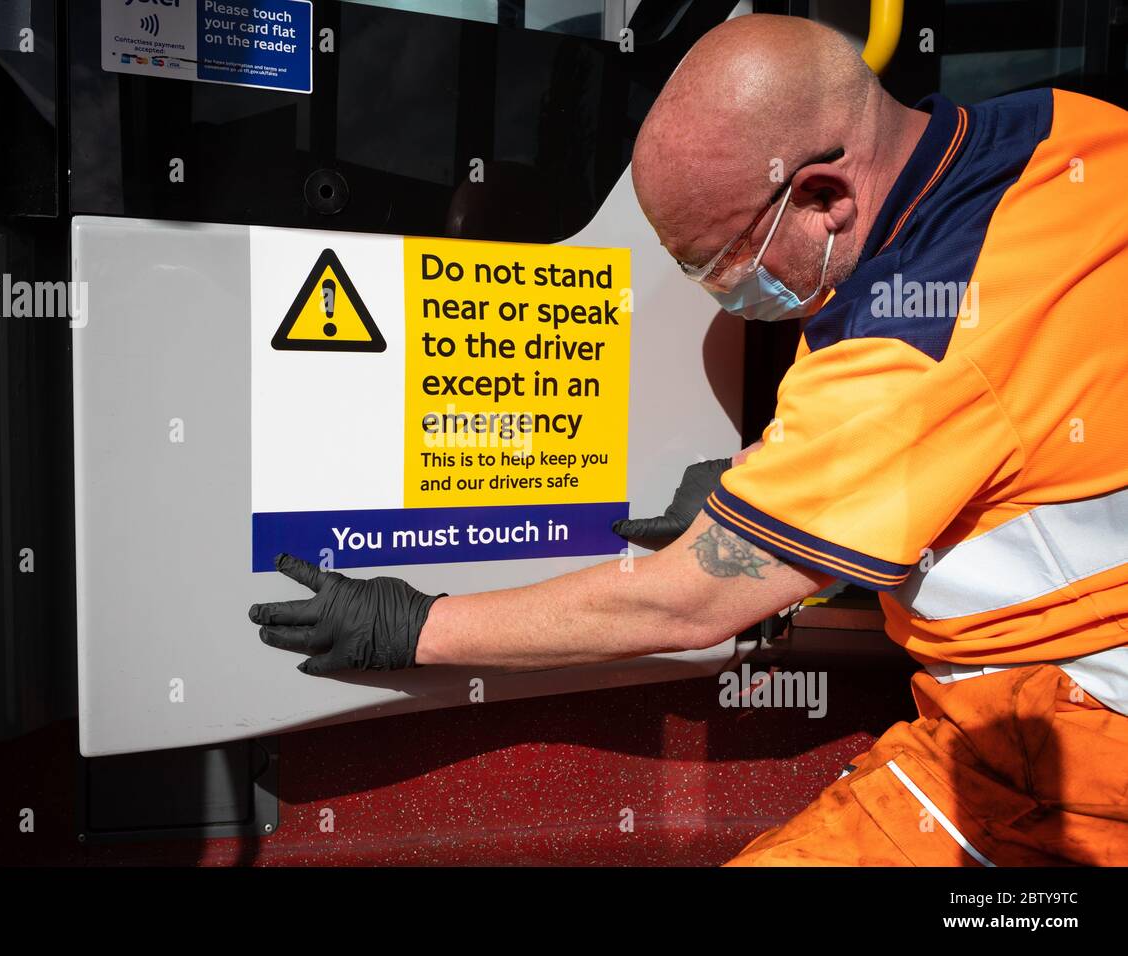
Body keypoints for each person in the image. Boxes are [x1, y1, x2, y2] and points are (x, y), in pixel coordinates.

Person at [250, 14, 1128, 865]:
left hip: (1071, 734)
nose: (722, 299)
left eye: (725, 266)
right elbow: (1024, 413)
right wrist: (773, 479)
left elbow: (689, 602)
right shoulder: (1071, 134)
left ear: (823, 196)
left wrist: (415, 628)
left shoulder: (914, 344)